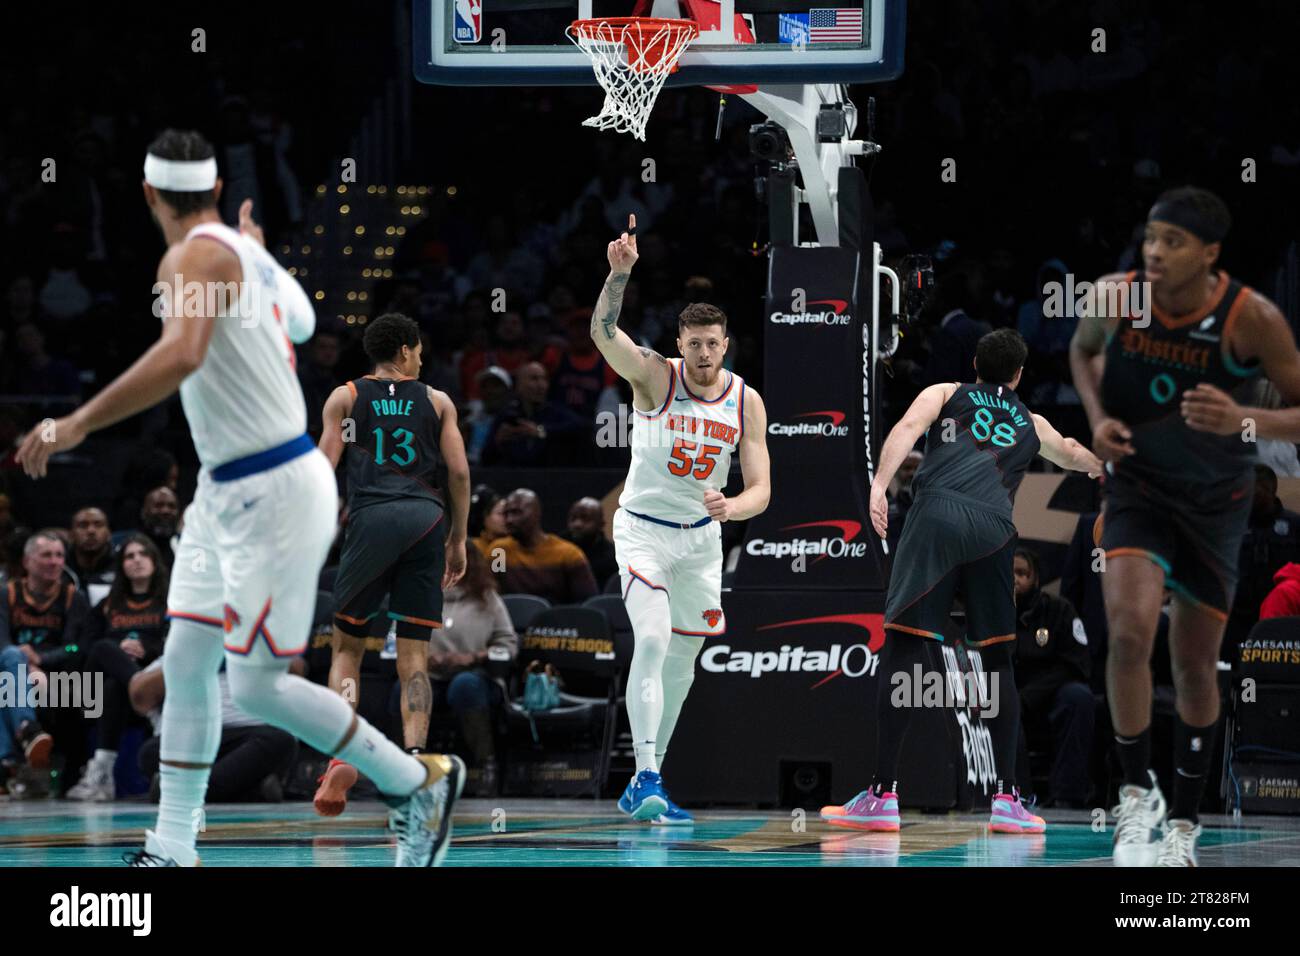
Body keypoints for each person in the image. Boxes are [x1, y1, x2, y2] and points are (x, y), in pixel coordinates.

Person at [15, 129, 462, 868]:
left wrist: (76, 423)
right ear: (219, 190)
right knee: (189, 661)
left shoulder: (192, 254)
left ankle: (416, 782)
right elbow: (307, 322)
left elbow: (184, 352)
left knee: (256, 685)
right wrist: (259, 253)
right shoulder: (244, 253)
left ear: (150, 194)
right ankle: (173, 845)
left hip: (275, 489)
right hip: (222, 491)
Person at [1069, 186, 1300, 865]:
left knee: (1196, 665)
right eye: (1150, 238)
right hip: (1139, 487)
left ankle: (1186, 826)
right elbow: (1084, 354)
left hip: (1215, 502)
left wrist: (1244, 422)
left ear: (1210, 254)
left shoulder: (1250, 318)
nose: (1156, 253)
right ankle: (1137, 798)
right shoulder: (1117, 295)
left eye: (1172, 242)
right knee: (1130, 632)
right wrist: (1097, 419)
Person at [822, 329, 1101, 835]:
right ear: (1019, 375)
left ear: (974, 363)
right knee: (997, 661)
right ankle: (1009, 799)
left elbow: (906, 428)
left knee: (905, 648)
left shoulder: (945, 393)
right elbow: (1075, 454)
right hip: (995, 532)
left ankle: (883, 795)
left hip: (935, 520)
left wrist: (879, 488)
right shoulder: (1032, 423)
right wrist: (1108, 470)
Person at [591, 214, 772, 824]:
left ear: (725, 344)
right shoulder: (655, 375)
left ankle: (652, 777)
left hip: (701, 544)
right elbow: (603, 332)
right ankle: (642, 777)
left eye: (711, 343)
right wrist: (619, 276)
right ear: (681, 343)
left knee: (683, 665)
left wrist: (733, 506)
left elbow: (762, 490)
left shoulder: (746, 400)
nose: (700, 353)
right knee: (651, 638)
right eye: (692, 343)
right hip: (642, 530)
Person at [314, 311, 470, 816]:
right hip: (426, 521)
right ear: (404, 350)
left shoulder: (347, 396)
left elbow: (322, 469)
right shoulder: (437, 401)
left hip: (372, 520)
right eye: (419, 350)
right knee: (414, 657)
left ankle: (340, 755)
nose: (422, 358)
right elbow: (460, 473)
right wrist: (459, 539)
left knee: (348, 647)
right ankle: (415, 763)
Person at [67, 534, 170, 801]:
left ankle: (101, 775)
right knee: (104, 649)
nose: (136, 561)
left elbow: (175, 645)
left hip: (147, 684)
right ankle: (140, 689)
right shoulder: (108, 605)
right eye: (129, 556)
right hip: (93, 693)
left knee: (115, 687)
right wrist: (119, 647)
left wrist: (146, 649)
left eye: (142, 554)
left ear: (155, 561)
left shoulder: (169, 603)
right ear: (121, 565)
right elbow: (85, 647)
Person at [132, 654, 300, 803]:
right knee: (151, 751)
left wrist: (248, 651)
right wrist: (194, 660)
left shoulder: (256, 645)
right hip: (191, 737)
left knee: (281, 740)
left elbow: (297, 668)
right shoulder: (177, 654)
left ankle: (175, 791)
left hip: (250, 735)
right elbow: (138, 696)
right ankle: (252, 791)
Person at [426, 543, 518, 794]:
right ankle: (408, 767)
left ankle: (486, 765)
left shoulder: (487, 599)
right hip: (430, 674)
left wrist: (473, 657)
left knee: (464, 686)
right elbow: (395, 641)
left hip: (479, 676)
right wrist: (423, 657)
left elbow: (508, 647)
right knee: (406, 689)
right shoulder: (423, 595)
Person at [0, 532, 92, 780]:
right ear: (28, 561)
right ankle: (26, 731)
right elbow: (2, 640)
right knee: (10, 658)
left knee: (6, 681)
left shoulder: (74, 598)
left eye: (60, 555)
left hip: (57, 675)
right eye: (46, 555)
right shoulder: (7, 594)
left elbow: (76, 648)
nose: (54, 562)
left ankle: (8, 761)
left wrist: (40, 661)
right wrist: (25, 665)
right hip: (13, 668)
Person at [1009, 547, 1093, 808]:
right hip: (1007, 695)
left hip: (1047, 698)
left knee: (1079, 697)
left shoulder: (1059, 610)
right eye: (1010, 572)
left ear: (1035, 578)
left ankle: (1067, 795)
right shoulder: (990, 612)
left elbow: (1075, 665)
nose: (1015, 579)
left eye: (1022, 573)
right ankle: (1014, 794)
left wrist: (1030, 697)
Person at [489, 489, 598, 605]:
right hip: (512, 621)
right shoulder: (500, 551)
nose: (509, 520)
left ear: (536, 514)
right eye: (506, 514)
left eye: (517, 512)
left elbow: (587, 603)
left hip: (557, 621)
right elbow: (493, 593)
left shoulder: (568, 554)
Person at [565, 496, 617, 587]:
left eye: (585, 519)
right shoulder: (557, 547)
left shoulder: (613, 556)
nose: (577, 524)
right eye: (573, 518)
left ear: (601, 524)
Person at [68, 506, 115, 604]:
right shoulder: (60, 567)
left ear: (109, 533)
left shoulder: (122, 565)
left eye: (98, 525)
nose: (91, 531)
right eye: (83, 525)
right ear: (71, 535)